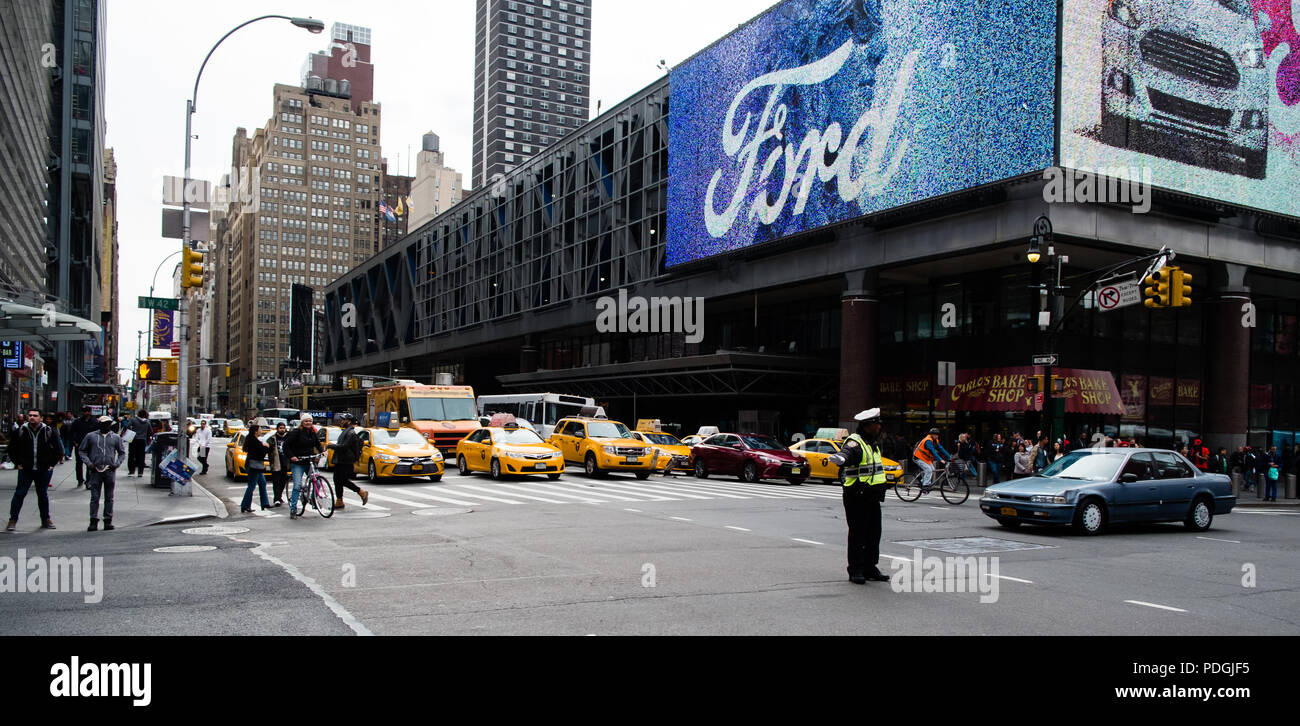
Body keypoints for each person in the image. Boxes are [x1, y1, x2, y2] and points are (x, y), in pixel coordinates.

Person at [832, 408, 891, 584]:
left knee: (874, 533)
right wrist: (841, 459)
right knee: (858, 533)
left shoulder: (872, 442)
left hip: (872, 495)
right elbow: (847, 454)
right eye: (876, 424)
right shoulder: (855, 442)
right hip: (856, 495)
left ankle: (870, 567)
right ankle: (856, 569)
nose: (879, 427)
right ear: (867, 425)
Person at [6, 409, 61, 531]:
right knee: (19, 494)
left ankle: (45, 519)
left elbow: (58, 449)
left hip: (43, 469)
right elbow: (11, 449)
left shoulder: (48, 431)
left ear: (41, 418)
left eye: (35, 416)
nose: (32, 417)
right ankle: (12, 520)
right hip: (26, 469)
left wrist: (51, 464)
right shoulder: (20, 431)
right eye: (30, 415)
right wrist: (18, 463)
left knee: (42, 495)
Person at [79, 415, 126, 531]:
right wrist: (89, 463)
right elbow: (82, 450)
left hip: (109, 471)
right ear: (99, 424)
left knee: (109, 497)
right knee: (95, 497)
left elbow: (122, 452)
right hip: (95, 470)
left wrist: (116, 464)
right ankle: (93, 520)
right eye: (104, 423)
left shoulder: (115, 437)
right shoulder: (91, 436)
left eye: (109, 423)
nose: (107, 425)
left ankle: (108, 520)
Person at [283, 414, 324, 520]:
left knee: (318, 482)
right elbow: (286, 446)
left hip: (309, 461)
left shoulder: (312, 432)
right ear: (302, 422)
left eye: (310, 421)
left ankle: (313, 499)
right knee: (297, 486)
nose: (308, 423)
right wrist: (292, 456)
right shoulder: (296, 433)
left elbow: (317, 444)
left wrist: (321, 452)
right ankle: (293, 509)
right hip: (298, 462)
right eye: (306, 421)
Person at [328, 414, 368, 509]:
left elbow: (344, 447)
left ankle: (361, 492)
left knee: (342, 480)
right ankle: (339, 501)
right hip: (341, 460)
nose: (341, 421)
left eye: (343, 420)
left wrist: (330, 446)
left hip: (346, 461)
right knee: (337, 480)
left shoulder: (350, 433)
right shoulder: (346, 431)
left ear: (349, 421)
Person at [240, 421, 274, 514]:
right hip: (254, 466)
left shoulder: (253, 440)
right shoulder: (254, 441)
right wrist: (266, 446)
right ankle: (245, 505)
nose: (261, 431)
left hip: (255, 466)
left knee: (262, 483)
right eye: (260, 429)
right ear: (255, 431)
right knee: (251, 485)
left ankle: (264, 503)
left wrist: (264, 445)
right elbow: (261, 454)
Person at [68, 407, 97, 490]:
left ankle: (89, 481)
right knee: (79, 463)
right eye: (85, 411)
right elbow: (71, 432)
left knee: (90, 464)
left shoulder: (94, 422)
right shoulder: (77, 422)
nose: (87, 413)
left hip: (91, 446)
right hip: (80, 445)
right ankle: (80, 479)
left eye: (88, 411)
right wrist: (74, 442)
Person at [124, 410, 152, 477]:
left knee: (131, 455)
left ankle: (131, 471)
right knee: (141, 456)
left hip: (133, 440)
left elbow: (127, 426)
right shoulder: (147, 422)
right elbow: (150, 432)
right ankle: (140, 472)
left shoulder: (133, 420)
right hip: (142, 441)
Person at [270, 422, 290, 506]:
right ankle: (276, 498)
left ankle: (280, 496)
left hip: (285, 463)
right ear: (277, 429)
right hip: (276, 462)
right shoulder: (273, 438)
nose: (282, 429)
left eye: (283, 428)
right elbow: (269, 449)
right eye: (280, 428)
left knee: (283, 481)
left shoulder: (288, 437)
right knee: (276, 481)